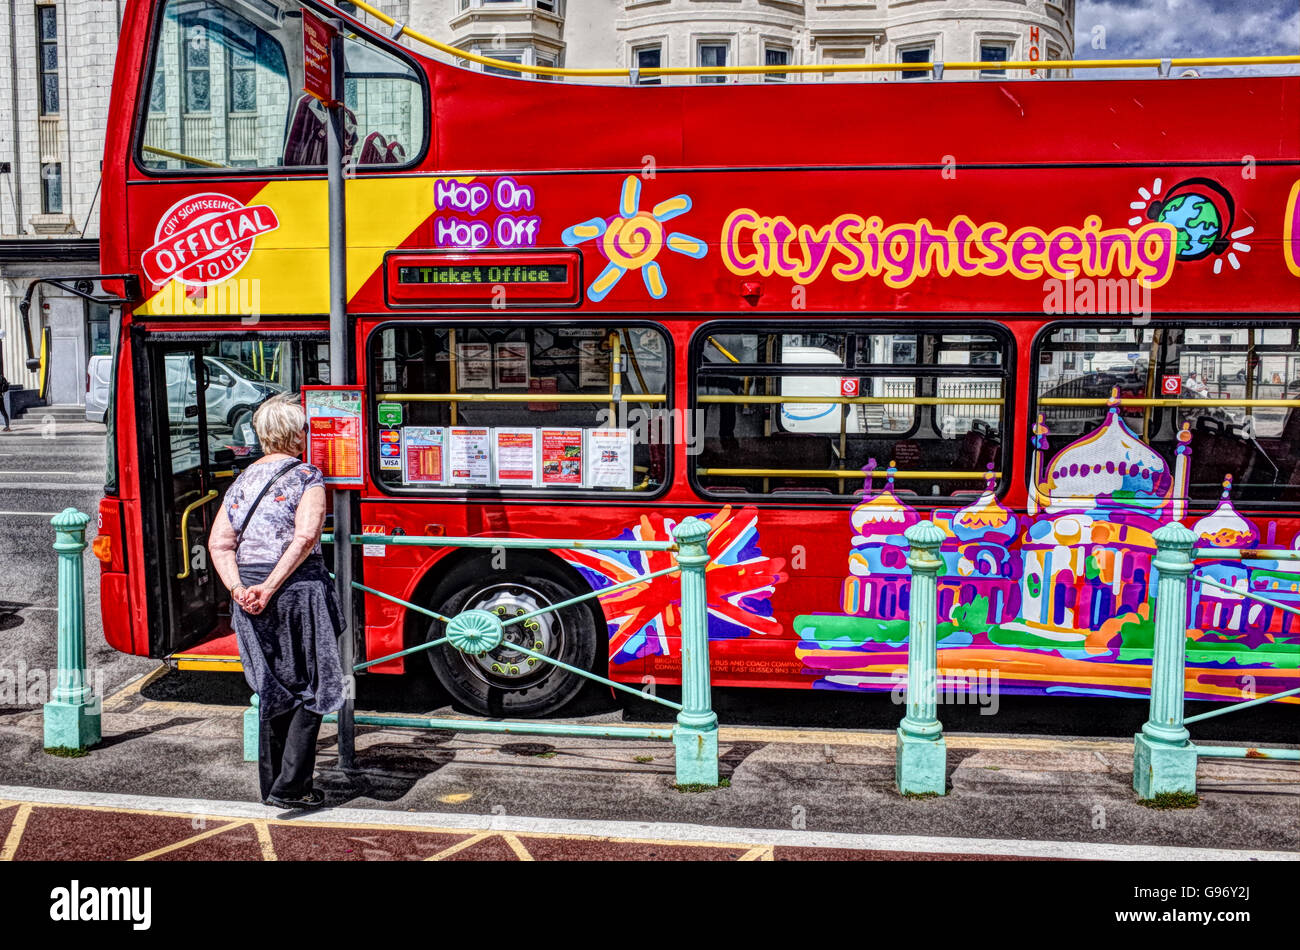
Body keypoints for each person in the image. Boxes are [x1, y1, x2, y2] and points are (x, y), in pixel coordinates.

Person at [209, 393, 345, 809]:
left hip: (246, 590)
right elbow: (305, 538)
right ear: (297, 434)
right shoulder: (307, 476)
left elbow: (219, 543)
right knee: (318, 686)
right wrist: (269, 588)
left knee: (272, 687)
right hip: (295, 589)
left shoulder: (241, 479)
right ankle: (292, 787)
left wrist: (239, 589)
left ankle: (274, 786)